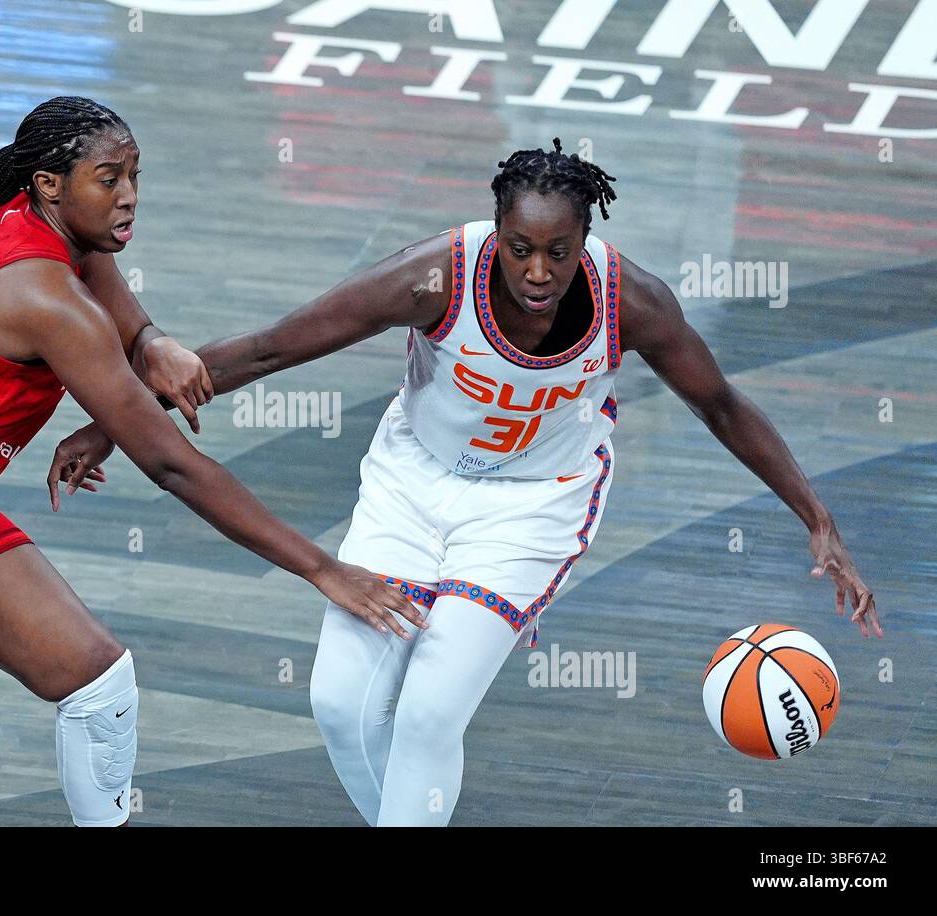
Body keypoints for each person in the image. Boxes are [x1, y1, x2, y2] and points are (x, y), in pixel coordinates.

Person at [55, 138, 879, 827]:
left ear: (586, 238)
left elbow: (723, 405)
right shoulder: (431, 280)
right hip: (411, 486)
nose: (537, 270)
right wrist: (113, 420)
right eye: (520, 248)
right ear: (495, 232)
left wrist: (817, 517)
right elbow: (273, 349)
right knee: (340, 707)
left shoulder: (637, 305)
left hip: (534, 506)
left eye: (559, 251)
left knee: (428, 714)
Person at [0, 96, 420, 828]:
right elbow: (172, 466)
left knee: (97, 684)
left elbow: (110, 292)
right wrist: (322, 570)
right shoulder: (47, 299)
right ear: (49, 185)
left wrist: (152, 338)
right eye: (109, 178)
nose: (128, 195)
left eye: (135, 174)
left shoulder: (46, 231)